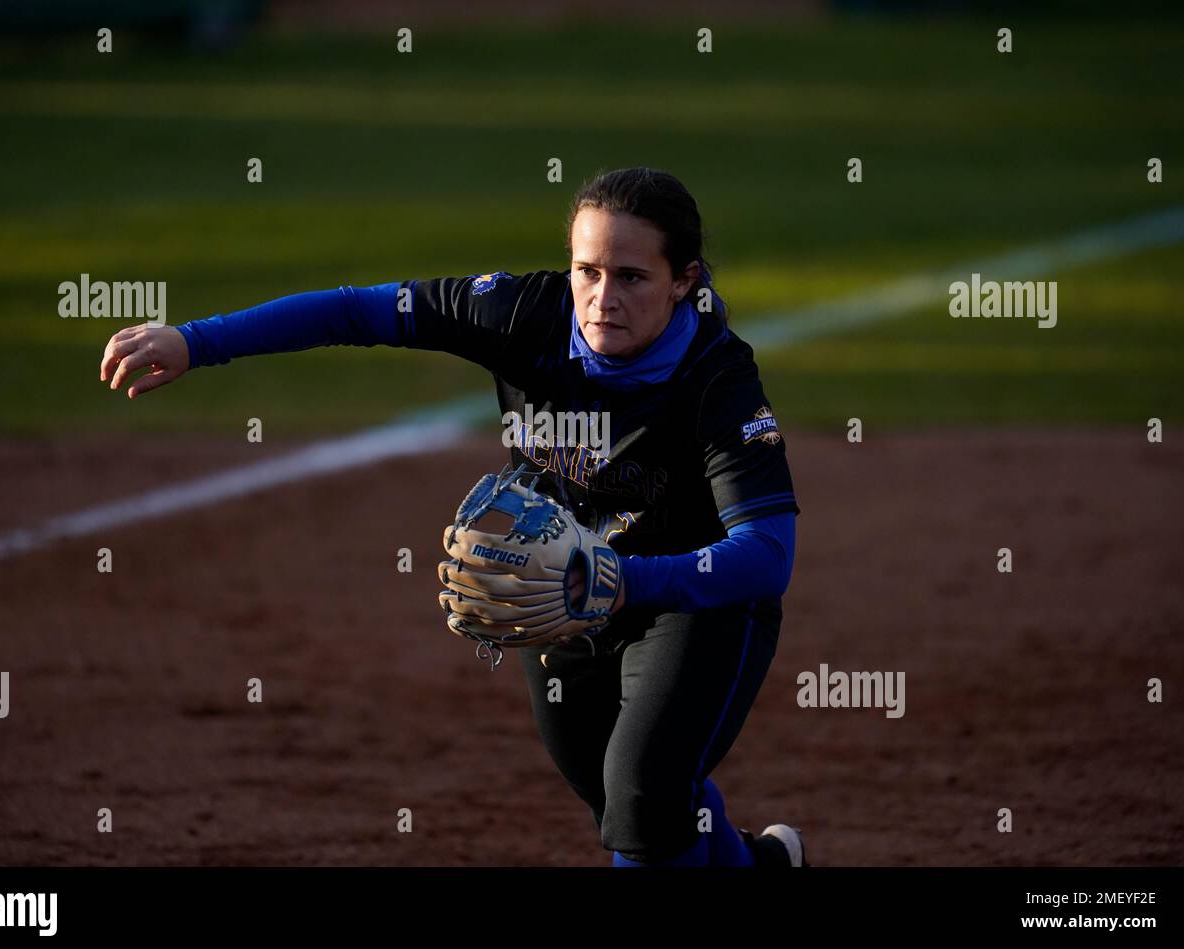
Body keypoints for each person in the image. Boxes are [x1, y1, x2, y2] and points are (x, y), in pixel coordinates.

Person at [99, 166, 805, 867]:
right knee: (628, 802)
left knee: (644, 796)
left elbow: (768, 554)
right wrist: (197, 341)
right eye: (586, 271)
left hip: (698, 602)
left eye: (631, 277)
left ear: (683, 280)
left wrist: (627, 581)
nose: (601, 298)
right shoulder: (522, 313)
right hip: (558, 596)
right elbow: (356, 311)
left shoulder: (720, 380)